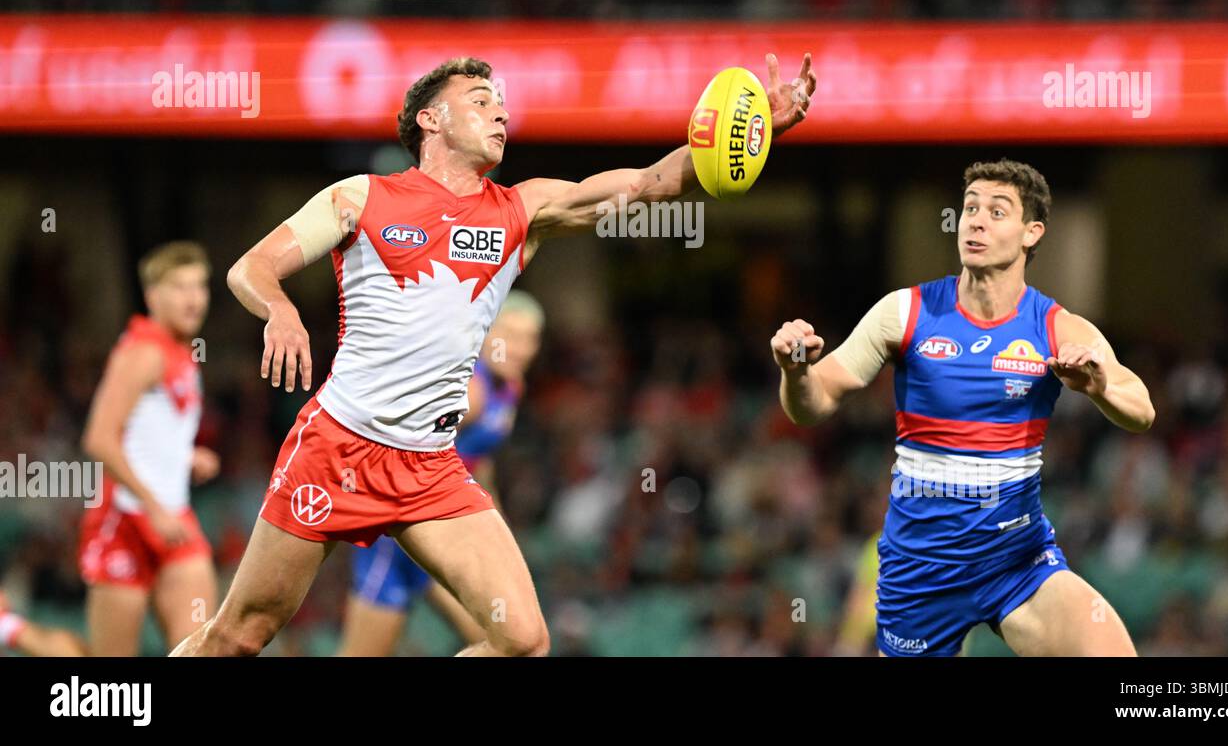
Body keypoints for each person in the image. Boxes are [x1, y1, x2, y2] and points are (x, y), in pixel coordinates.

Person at [173, 52, 815, 656]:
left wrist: (752, 134)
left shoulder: (522, 209)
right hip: (337, 445)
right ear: (431, 119)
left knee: (525, 642)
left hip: (430, 468)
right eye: (481, 100)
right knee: (238, 636)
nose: (500, 112)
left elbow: (651, 183)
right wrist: (279, 309)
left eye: (502, 103)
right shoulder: (362, 196)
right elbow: (250, 268)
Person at [771, 159, 1155, 657]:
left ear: (1031, 233)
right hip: (919, 572)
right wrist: (796, 370)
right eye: (970, 208)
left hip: (1016, 561)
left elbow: (1142, 409)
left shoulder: (1056, 326)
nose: (975, 220)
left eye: (997, 212)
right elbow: (813, 404)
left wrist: (1099, 386)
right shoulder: (905, 312)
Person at [338, 291, 545, 655]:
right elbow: (398, 447)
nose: (521, 348)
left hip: (435, 531)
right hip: (402, 536)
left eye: (530, 338)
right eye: (510, 335)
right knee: (515, 642)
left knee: (514, 642)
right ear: (483, 332)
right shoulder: (471, 392)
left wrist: (495, 524)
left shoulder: (508, 386)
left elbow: (477, 462)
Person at [79, 241, 220, 655]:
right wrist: (153, 506)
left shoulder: (179, 352)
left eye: (200, 286)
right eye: (180, 286)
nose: (193, 298)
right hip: (123, 520)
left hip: (172, 519)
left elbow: (146, 434)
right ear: (152, 295)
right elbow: (98, 438)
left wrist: (185, 458)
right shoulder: (143, 352)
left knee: (202, 648)